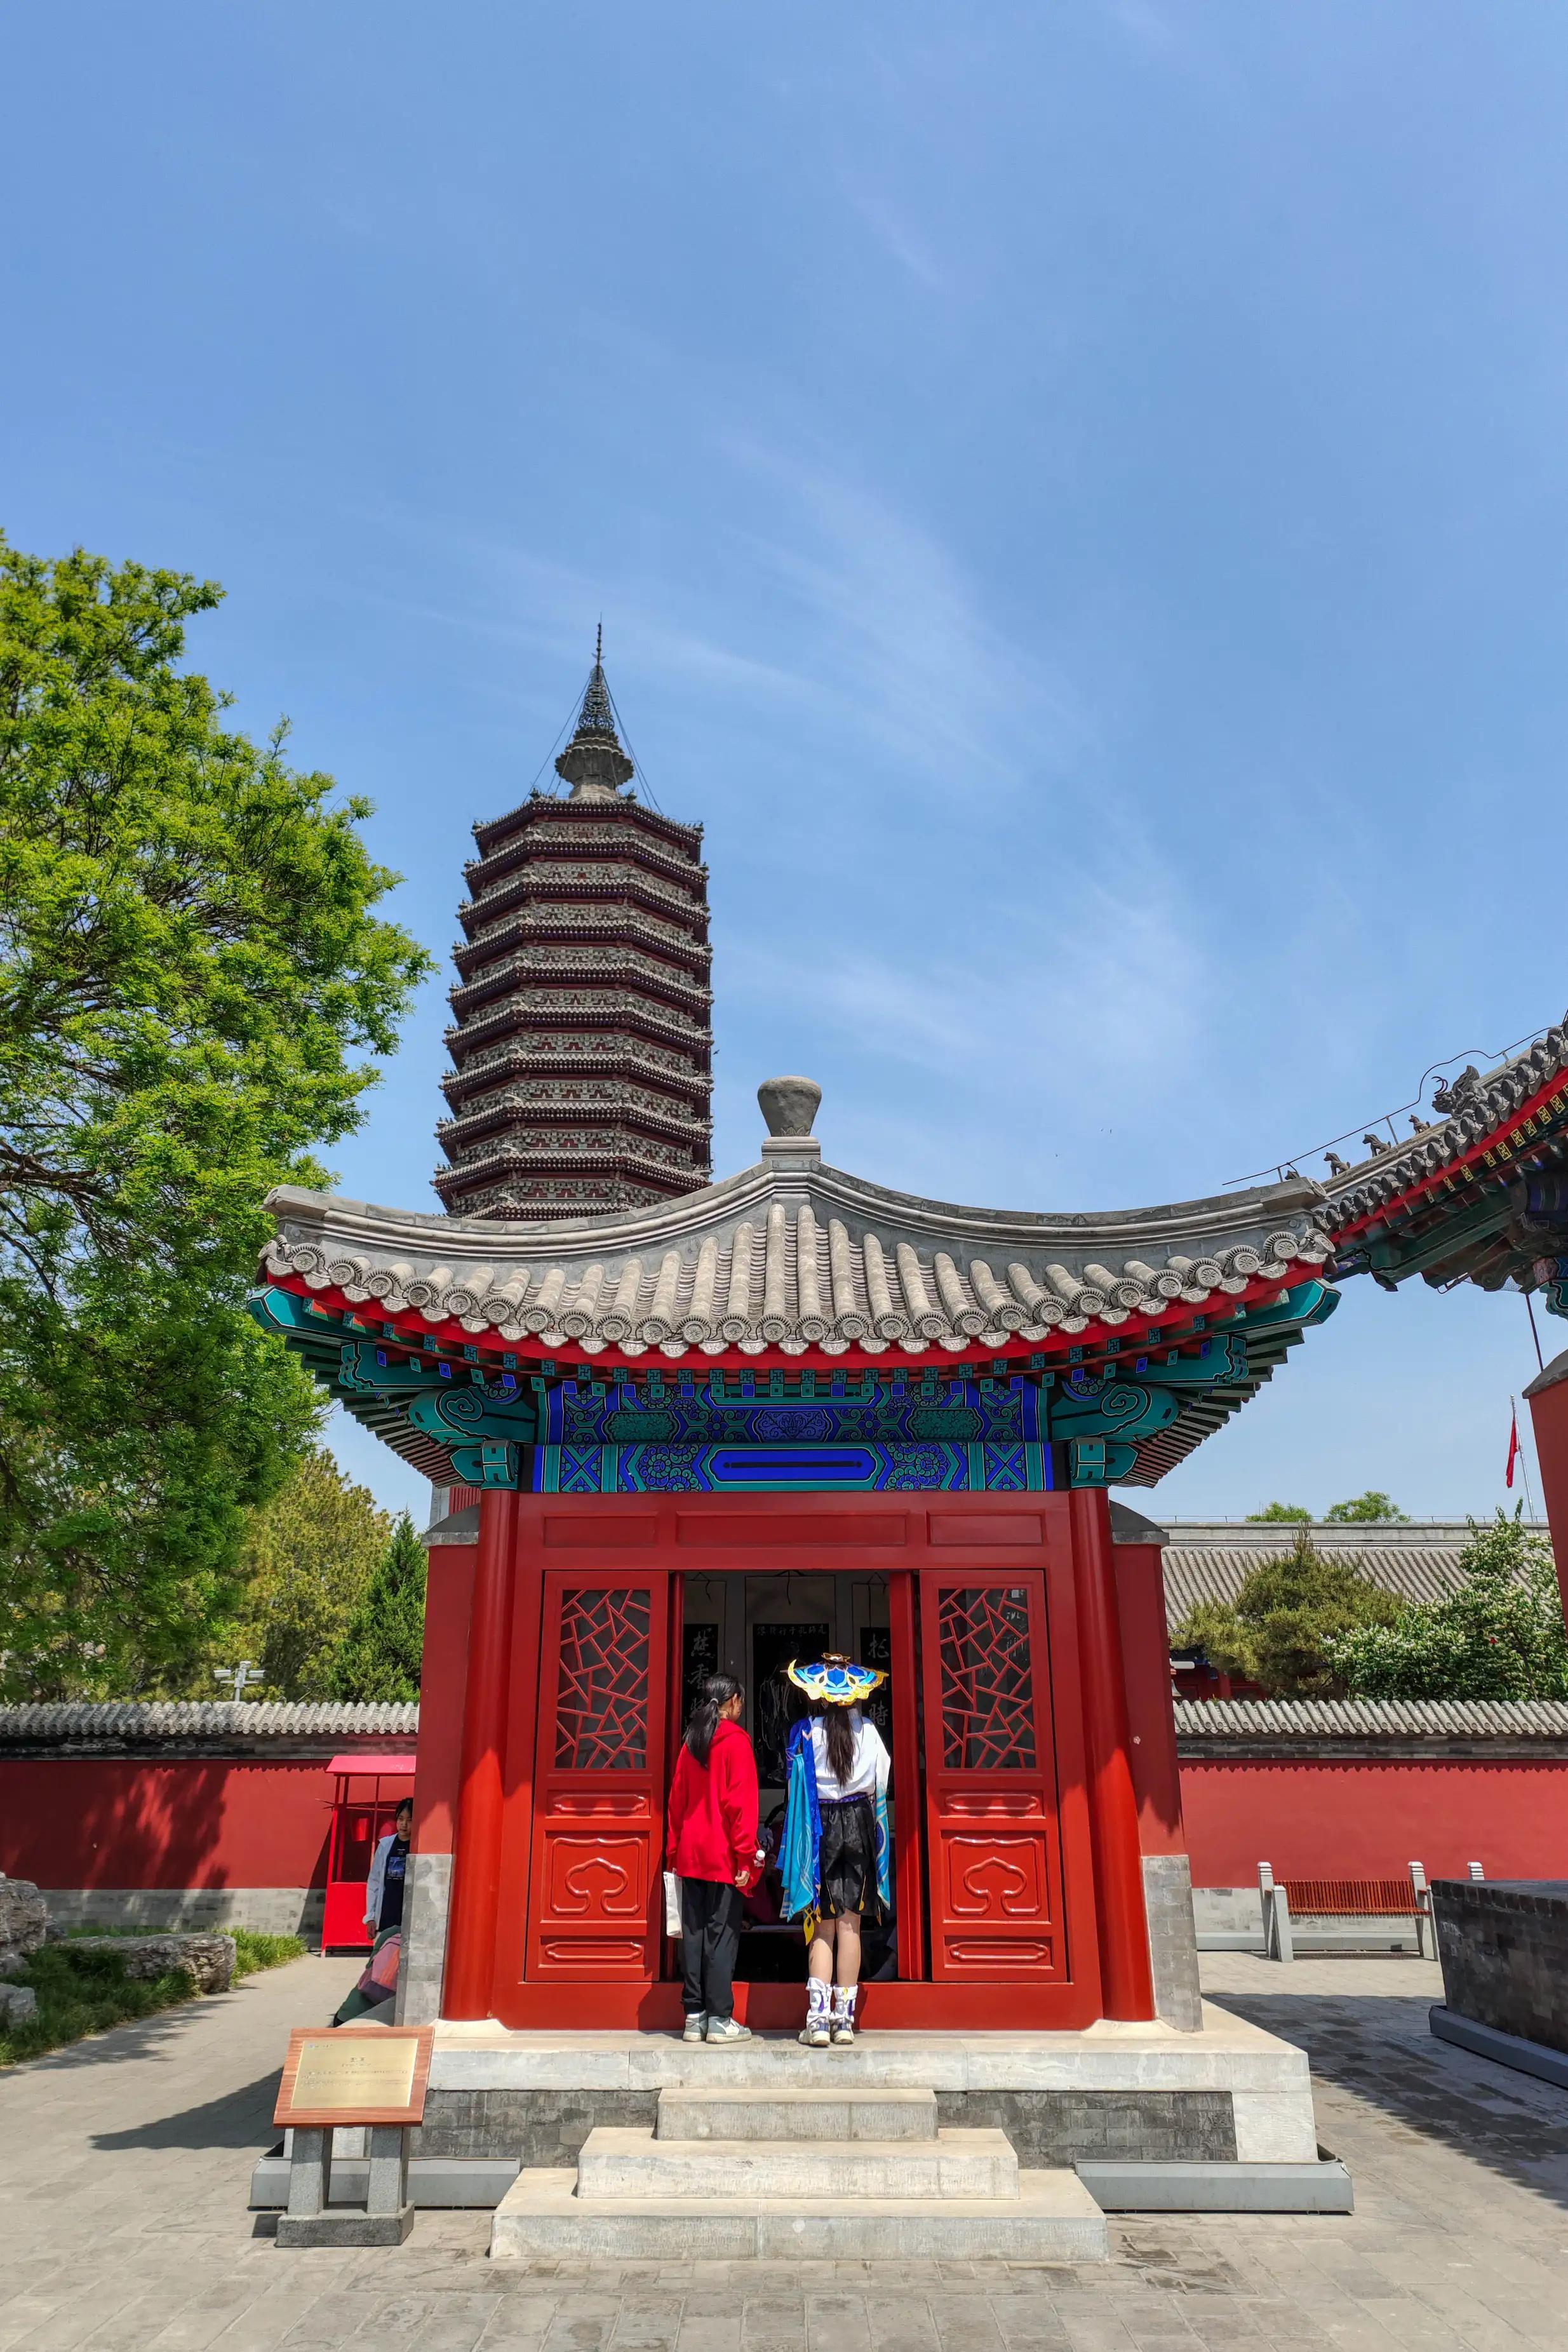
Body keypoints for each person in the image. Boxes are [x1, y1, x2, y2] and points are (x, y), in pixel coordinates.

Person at [779, 1656, 890, 2047]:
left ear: (820, 1697)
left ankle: (818, 2020)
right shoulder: (869, 1732)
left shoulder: (806, 1733)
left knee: (822, 1926)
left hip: (819, 1824)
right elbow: (882, 1780)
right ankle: (845, 2019)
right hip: (859, 1825)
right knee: (851, 1924)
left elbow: (794, 1786)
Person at [665, 1674, 762, 2043]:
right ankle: (720, 2017)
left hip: (690, 1851)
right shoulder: (736, 1742)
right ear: (734, 1701)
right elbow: (739, 1805)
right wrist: (746, 1856)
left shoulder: (692, 1742)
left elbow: (676, 1802)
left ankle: (694, 2014)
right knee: (720, 1936)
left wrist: (673, 1850)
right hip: (722, 1853)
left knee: (692, 1935)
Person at [364, 1798, 412, 1939]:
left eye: (409, 1820)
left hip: (408, 1915)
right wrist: (370, 1917)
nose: (404, 1824)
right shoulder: (385, 1845)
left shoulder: (419, 1845)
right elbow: (374, 1882)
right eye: (400, 1819)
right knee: (383, 1957)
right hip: (386, 1914)